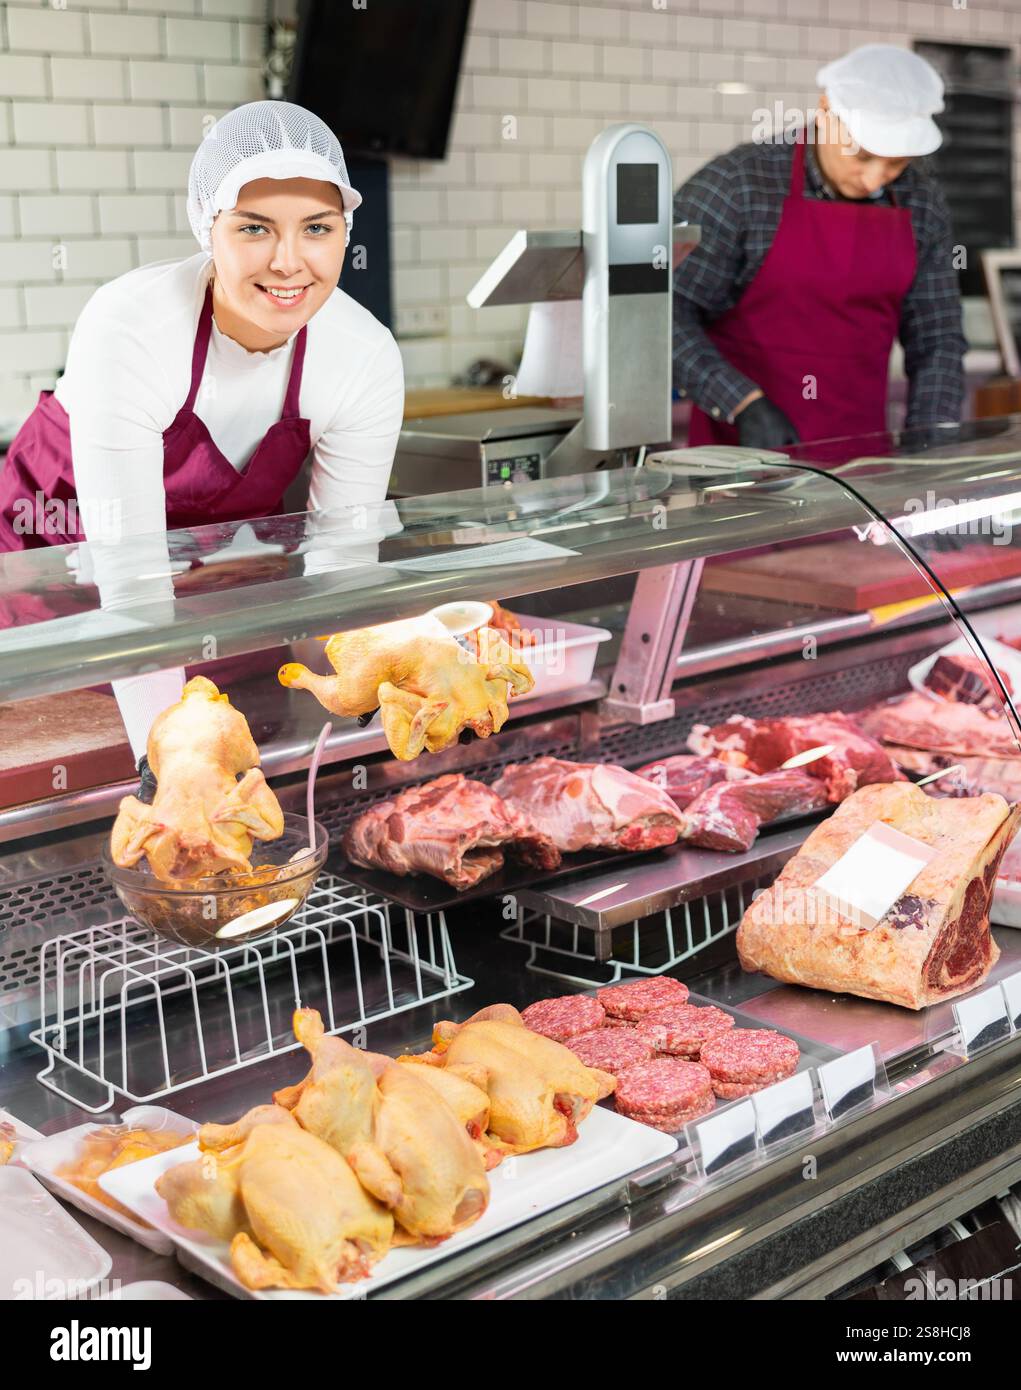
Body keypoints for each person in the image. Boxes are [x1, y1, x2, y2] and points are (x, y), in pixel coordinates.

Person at [0, 100, 404, 755]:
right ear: (206, 228)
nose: (288, 262)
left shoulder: (362, 354)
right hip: (38, 606)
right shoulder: (130, 324)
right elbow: (129, 575)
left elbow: (339, 564)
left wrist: (369, 700)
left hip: (195, 612)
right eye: (253, 228)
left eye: (317, 228)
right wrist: (172, 762)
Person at [672, 45, 967, 450]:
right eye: (862, 156)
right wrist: (740, 403)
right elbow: (663, 313)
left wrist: (930, 445)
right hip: (740, 464)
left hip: (863, 466)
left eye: (896, 163)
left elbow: (938, 338)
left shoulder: (920, 200)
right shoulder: (737, 186)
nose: (875, 180)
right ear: (826, 112)